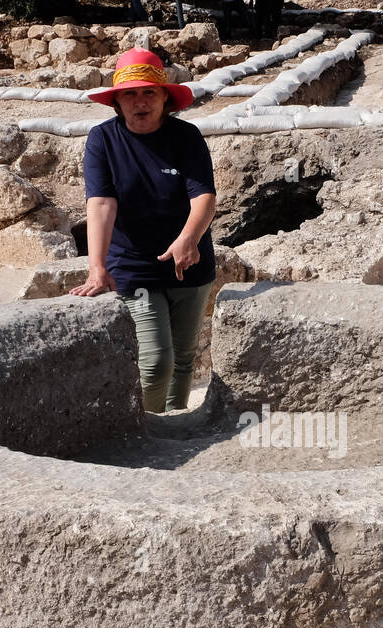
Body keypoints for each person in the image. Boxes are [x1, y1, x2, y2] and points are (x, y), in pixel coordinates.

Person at [70, 49, 218, 414]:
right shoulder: (102, 140)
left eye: (149, 93)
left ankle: (174, 430)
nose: (140, 102)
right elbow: (102, 203)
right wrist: (96, 267)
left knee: (185, 358)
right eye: (130, 94)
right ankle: (149, 430)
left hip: (191, 262)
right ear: (116, 102)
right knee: (155, 362)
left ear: (165, 97)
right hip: (134, 265)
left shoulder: (186, 137)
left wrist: (188, 238)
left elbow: (204, 195)